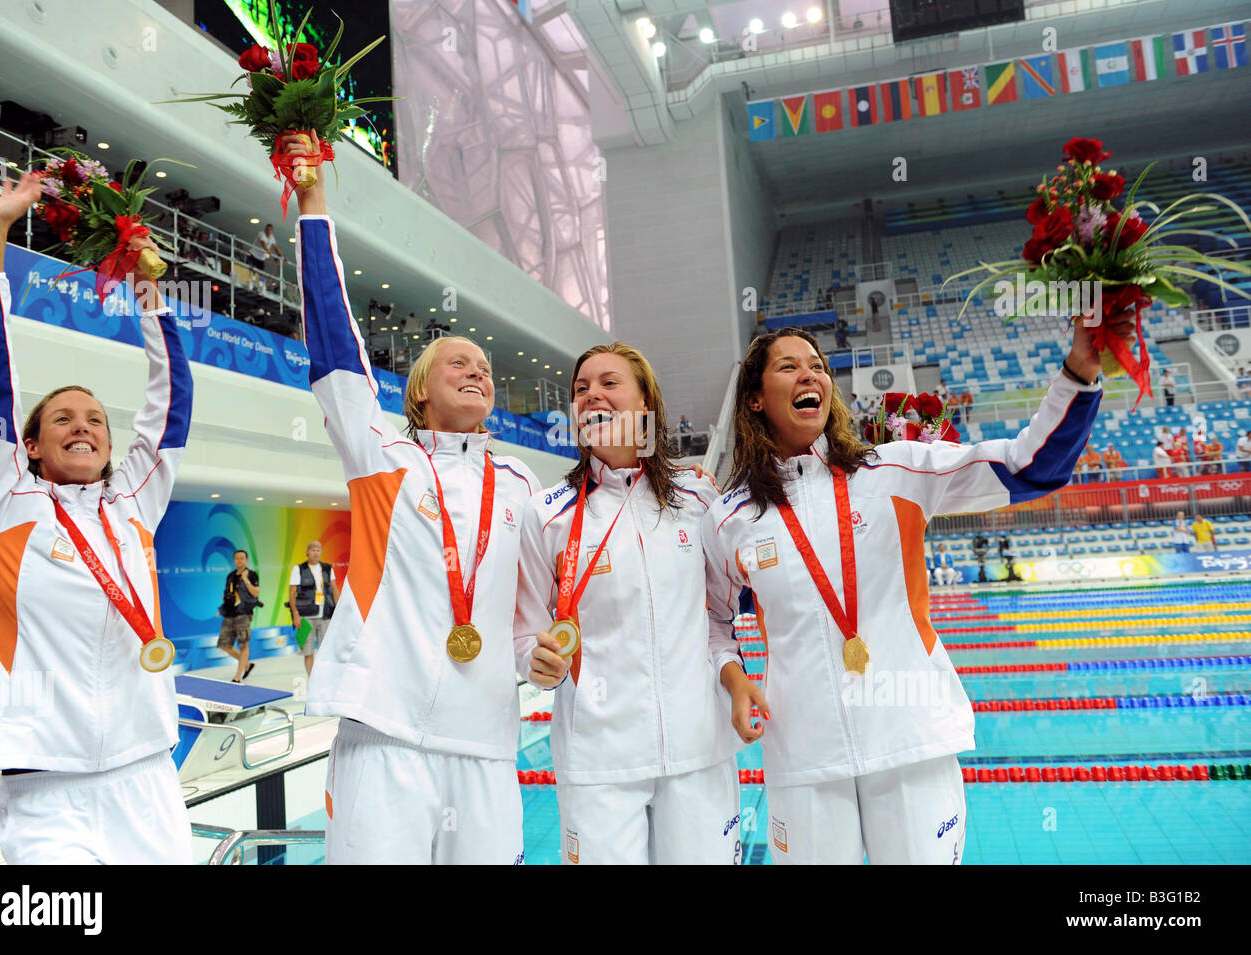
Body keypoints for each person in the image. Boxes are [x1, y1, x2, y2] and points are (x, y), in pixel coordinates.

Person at [703, 316, 1120, 865]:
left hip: (911, 742)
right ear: (755, 399)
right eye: (789, 366)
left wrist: (1080, 371)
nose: (810, 375)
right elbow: (713, 622)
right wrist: (734, 682)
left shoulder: (897, 469)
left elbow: (1032, 466)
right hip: (804, 758)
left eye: (818, 366)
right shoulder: (733, 516)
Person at [283, 131, 540, 864]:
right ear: (419, 389)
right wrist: (313, 201)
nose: (478, 371)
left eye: (486, 367)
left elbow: (530, 618)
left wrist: (540, 653)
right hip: (383, 732)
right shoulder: (381, 458)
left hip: (486, 741)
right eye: (458, 361)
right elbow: (334, 345)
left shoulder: (521, 485)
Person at [0, 172, 195, 863]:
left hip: (145, 773)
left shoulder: (135, 502)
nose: (82, 426)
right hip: (44, 786)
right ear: (29, 444)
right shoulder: (3, 498)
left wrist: (151, 291)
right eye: (62, 417)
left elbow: (171, 396)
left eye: (95, 419)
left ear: (114, 446)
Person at [515, 343, 741, 865]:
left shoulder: (697, 499)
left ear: (645, 405)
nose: (592, 394)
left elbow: (719, 617)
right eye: (580, 389)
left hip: (698, 751)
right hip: (599, 759)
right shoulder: (546, 515)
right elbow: (524, 634)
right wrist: (537, 662)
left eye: (609, 383)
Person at [288, 540, 339, 677]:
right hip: (305, 616)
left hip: (326, 615)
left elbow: (334, 589)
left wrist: (338, 611)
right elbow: (292, 592)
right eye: (313, 550)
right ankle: (312, 679)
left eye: (318, 550)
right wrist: (295, 614)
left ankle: (325, 677)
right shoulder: (298, 569)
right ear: (307, 552)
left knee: (326, 650)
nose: (315, 552)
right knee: (308, 651)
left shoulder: (328, 568)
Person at [218, 549, 260, 682]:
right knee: (224, 645)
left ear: (246, 560)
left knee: (244, 644)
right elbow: (227, 593)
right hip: (230, 613)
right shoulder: (230, 576)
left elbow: (255, 593)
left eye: (242, 558)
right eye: (237, 558)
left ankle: (237, 677)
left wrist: (245, 579)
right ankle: (247, 665)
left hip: (244, 613)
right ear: (234, 560)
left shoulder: (252, 575)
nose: (239, 560)